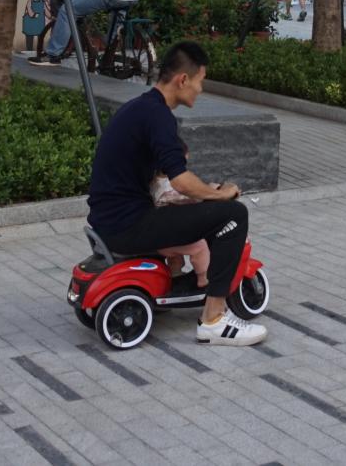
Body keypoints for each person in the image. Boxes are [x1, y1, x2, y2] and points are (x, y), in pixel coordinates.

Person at [87, 40, 266, 346]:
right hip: (129, 225)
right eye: (200, 82)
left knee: (206, 211)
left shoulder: (140, 108)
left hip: (109, 220)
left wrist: (204, 194)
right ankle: (214, 319)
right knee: (234, 215)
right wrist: (221, 195)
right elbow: (180, 181)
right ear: (183, 79)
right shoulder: (159, 117)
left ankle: (187, 290)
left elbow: (167, 181)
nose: (200, 89)